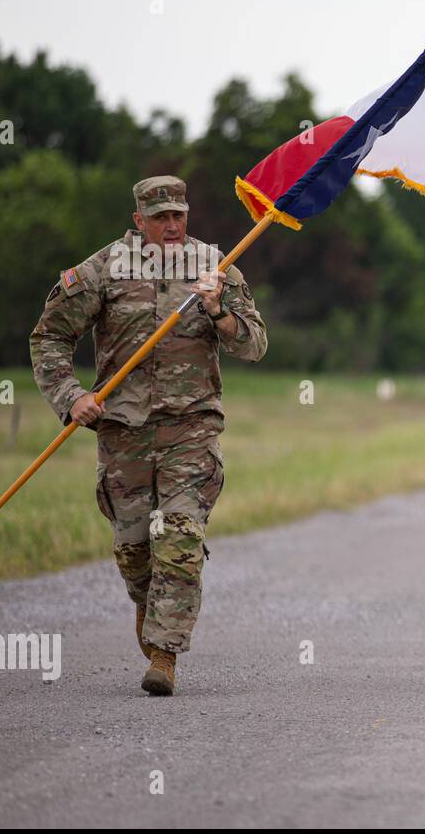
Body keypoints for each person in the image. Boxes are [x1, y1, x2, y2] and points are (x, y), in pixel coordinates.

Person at [30, 176, 268, 696]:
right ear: (139, 221)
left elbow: (255, 344)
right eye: (160, 218)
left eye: (179, 215)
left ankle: (165, 654)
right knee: (135, 549)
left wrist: (218, 311)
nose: (172, 226)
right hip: (124, 432)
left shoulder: (216, 268)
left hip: (192, 428)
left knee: (179, 537)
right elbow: (49, 336)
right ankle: (148, 603)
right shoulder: (104, 269)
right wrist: (71, 397)